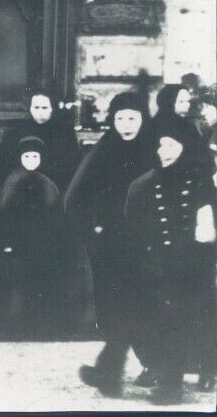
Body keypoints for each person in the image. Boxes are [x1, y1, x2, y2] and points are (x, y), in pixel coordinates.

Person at [69, 92, 159, 397]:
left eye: (132, 117)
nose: (125, 124)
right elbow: (76, 197)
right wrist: (92, 229)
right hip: (113, 243)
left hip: (150, 242)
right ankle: (132, 368)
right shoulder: (105, 148)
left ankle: (112, 371)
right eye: (120, 118)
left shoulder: (155, 148)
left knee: (138, 305)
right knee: (120, 307)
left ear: (143, 118)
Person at [123, 117, 217, 404]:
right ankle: (160, 368)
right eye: (160, 145)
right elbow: (135, 230)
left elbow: (206, 234)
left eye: (171, 145)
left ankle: (185, 378)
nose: (164, 151)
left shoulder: (200, 181)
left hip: (195, 264)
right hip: (157, 262)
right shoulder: (147, 182)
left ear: (185, 147)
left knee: (186, 312)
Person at [0, 136, 67, 337]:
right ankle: (17, 323)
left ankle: (41, 322)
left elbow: (55, 211)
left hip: (43, 241)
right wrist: (7, 241)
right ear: (20, 158)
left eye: (35, 156)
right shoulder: (13, 180)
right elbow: (4, 212)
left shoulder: (47, 182)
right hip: (20, 241)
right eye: (26, 156)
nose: (31, 160)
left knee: (42, 279)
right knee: (20, 281)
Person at [0, 88, 81, 191]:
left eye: (44, 108)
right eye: (36, 107)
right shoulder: (17, 133)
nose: (40, 112)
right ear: (30, 108)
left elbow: (71, 168)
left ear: (52, 108)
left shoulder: (64, 134)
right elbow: (4, 167)